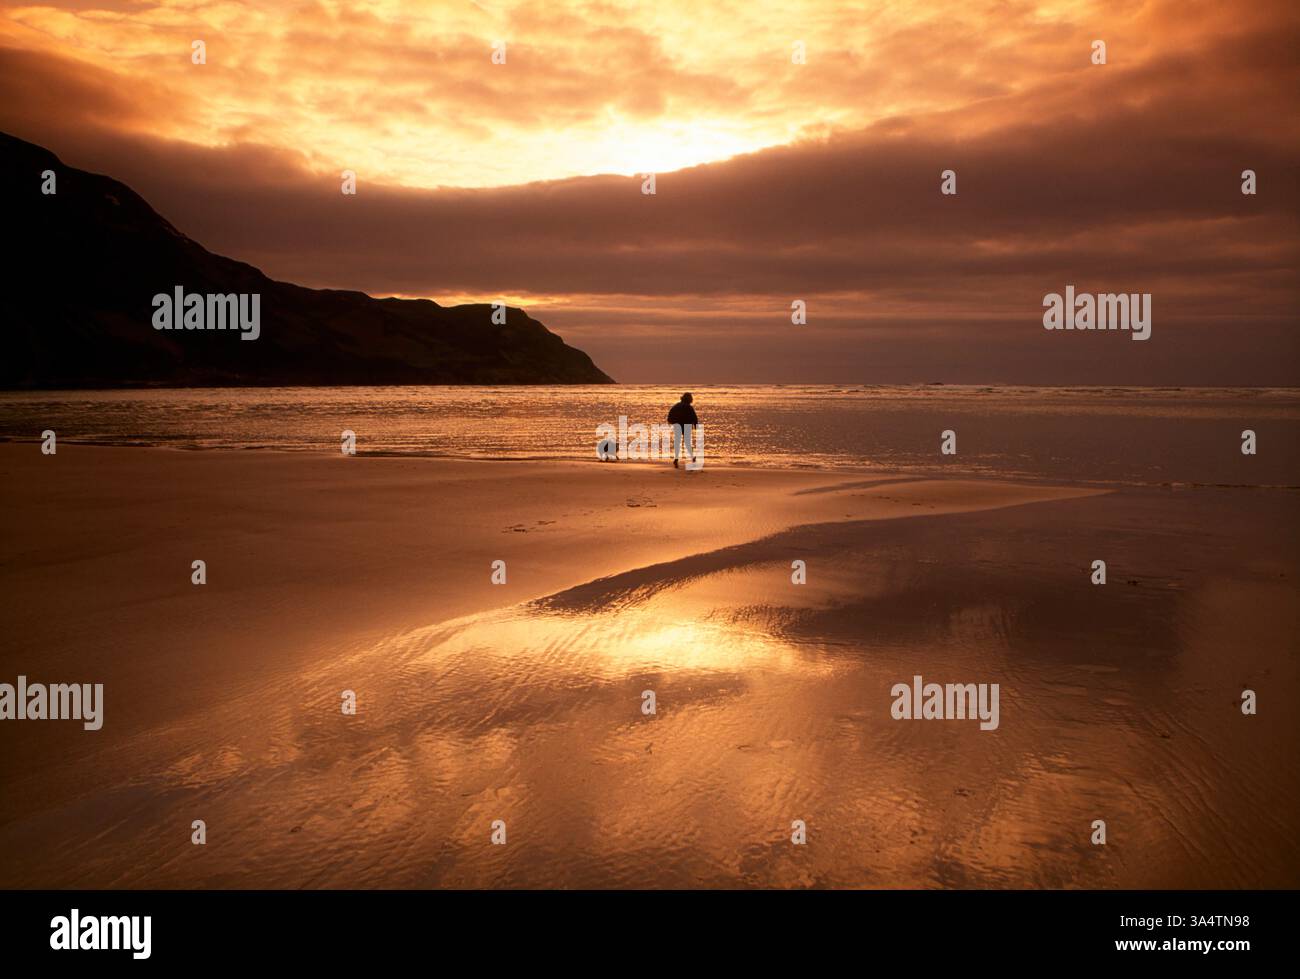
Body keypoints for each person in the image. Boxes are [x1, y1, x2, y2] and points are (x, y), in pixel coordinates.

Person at [667, 392, 699, 468]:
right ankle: (692, 457)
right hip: (686, 425)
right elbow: (694, 417)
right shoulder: (689, 407)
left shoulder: (676, 406)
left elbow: (670, 415)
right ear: (689, 399)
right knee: (687, 442)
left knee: (677, 442)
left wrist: (671, 422)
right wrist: (695, 425)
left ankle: (676, 459)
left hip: (677, 425)